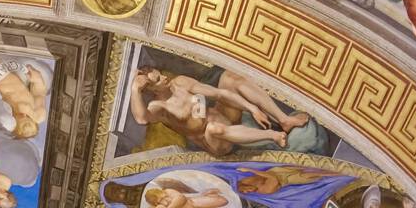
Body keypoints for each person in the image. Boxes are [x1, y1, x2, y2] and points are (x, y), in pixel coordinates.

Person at [129, 66, 305, 156]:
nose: (165, 77)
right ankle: (272, 135)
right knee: (212, 128)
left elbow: (220, 94)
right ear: (151, 88)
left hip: (225, 118)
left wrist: (252, 108)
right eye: (159, 79)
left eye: (161, 74)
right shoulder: (159, 108)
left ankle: (284, 120)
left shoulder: (180, 82)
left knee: (229, 78)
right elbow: (142, 119)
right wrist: (135, 89)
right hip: (216, 142)